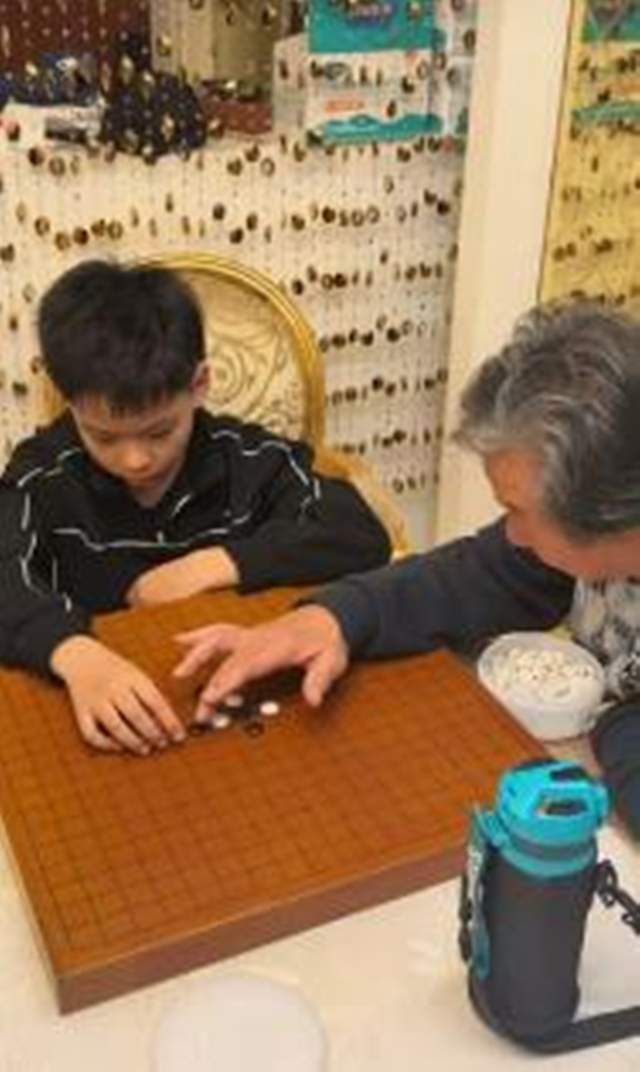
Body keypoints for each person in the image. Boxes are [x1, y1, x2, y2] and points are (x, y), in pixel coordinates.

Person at [174, 301, 640, 837]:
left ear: (611, 515)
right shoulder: (584, 533)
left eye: (518, 511)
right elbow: (476, 574)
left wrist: (615, 718)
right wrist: (333, 618)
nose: (511, 533)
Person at [0, 259, 391, 755]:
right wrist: (76, 655)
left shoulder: (248, 457)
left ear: (200, 384)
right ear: (68, 402)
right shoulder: (42, 474)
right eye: (104, 437)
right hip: (101, 694)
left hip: (232, 689)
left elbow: (357, 532)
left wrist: (214, 564)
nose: (135, 459)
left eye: (159, 431)